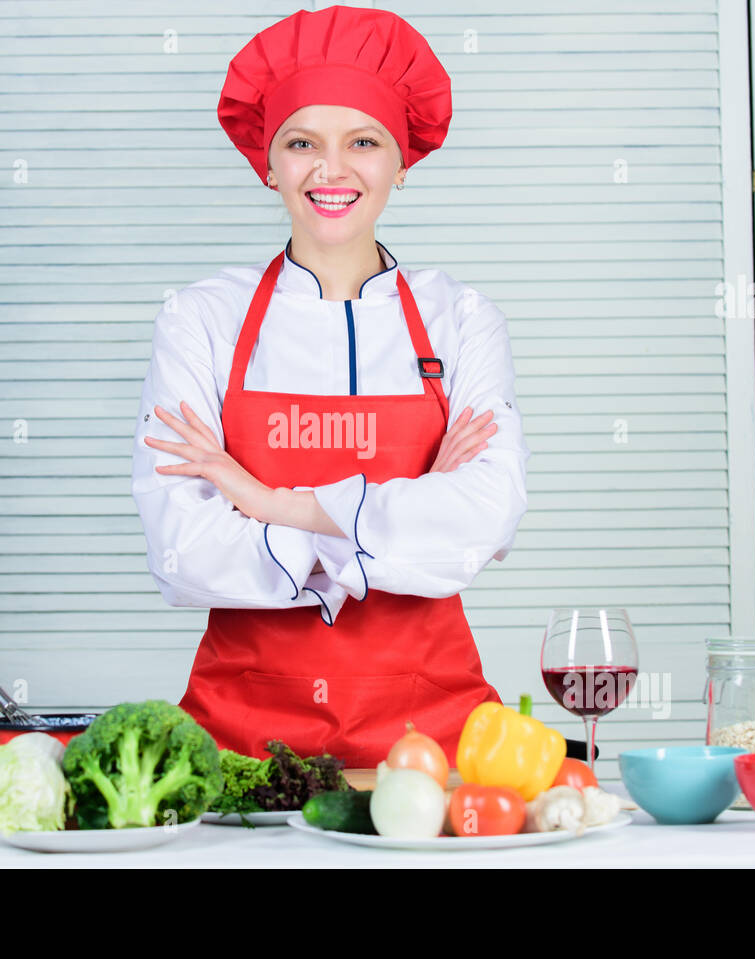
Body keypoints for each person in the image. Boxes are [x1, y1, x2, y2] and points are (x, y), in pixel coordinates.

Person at [131, 6, 536, 768]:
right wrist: (401, 515)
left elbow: (485, 521)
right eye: (301, 143)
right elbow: (183, 552)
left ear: (401, 161)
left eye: (363, 142)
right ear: (269, 162)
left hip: (434, 747)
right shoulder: (201, 320)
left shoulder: (462, 320)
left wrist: (267, 501)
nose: (331, 170)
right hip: (240, 745)